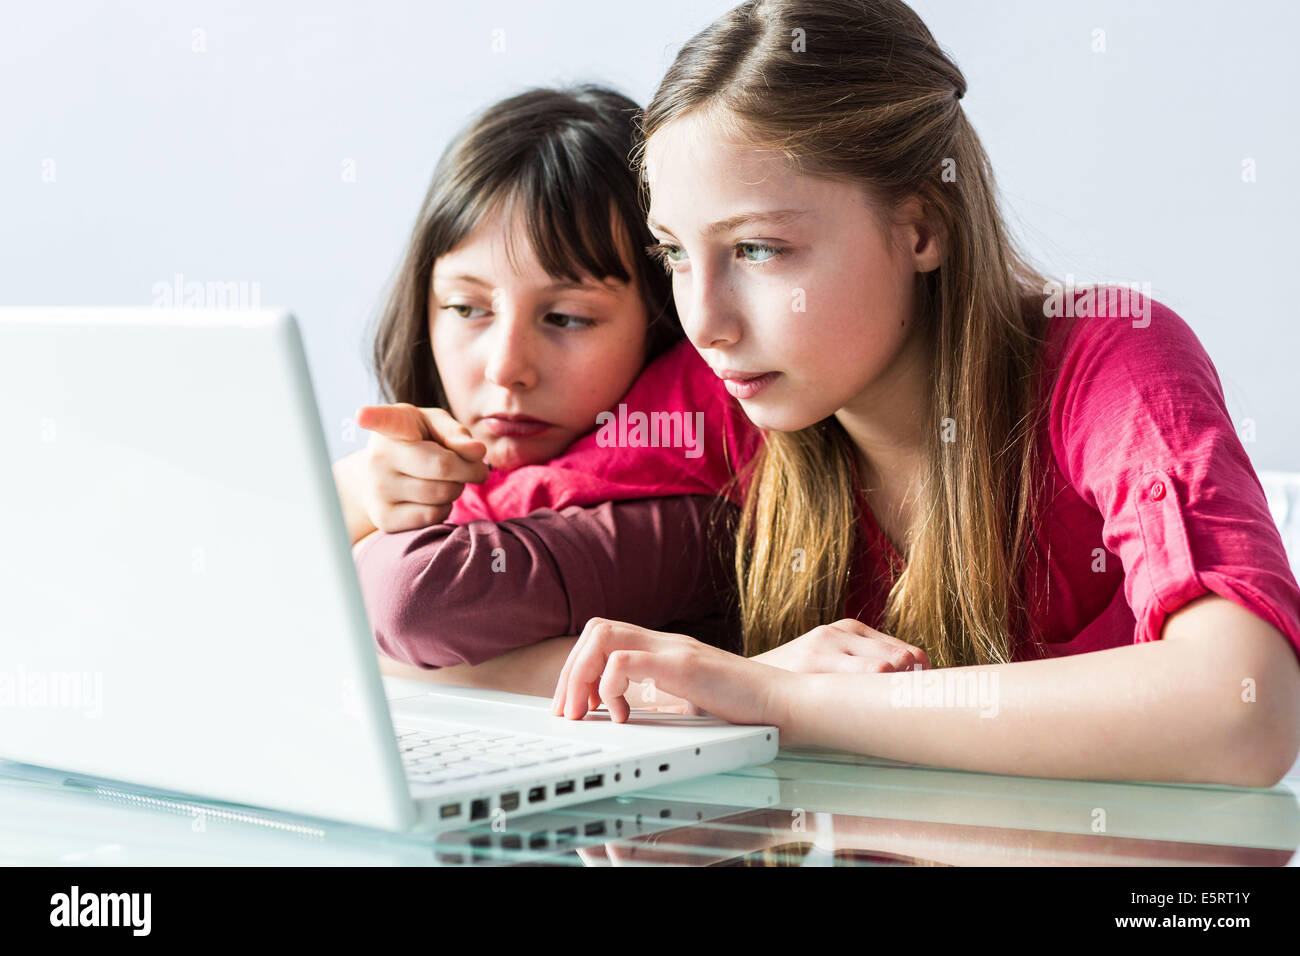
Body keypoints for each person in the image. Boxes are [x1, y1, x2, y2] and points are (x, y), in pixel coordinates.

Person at [550, 0, 1300, 787]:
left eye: (758, 249)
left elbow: (1246, 710)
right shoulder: (727, 394)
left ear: (922, 228)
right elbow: (432, 607)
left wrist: (779, 699)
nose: (704, 322)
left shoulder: (1109, 358)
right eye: (673, 251)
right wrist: (409, 473)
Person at [330, 86, 759, 698]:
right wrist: (355, 489)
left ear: (662, 320)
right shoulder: (420, 473)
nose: (506, 368)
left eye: (567, 318)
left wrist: (341, 511)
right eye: (465, 307)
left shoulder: (694, 512)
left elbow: (411, 596)